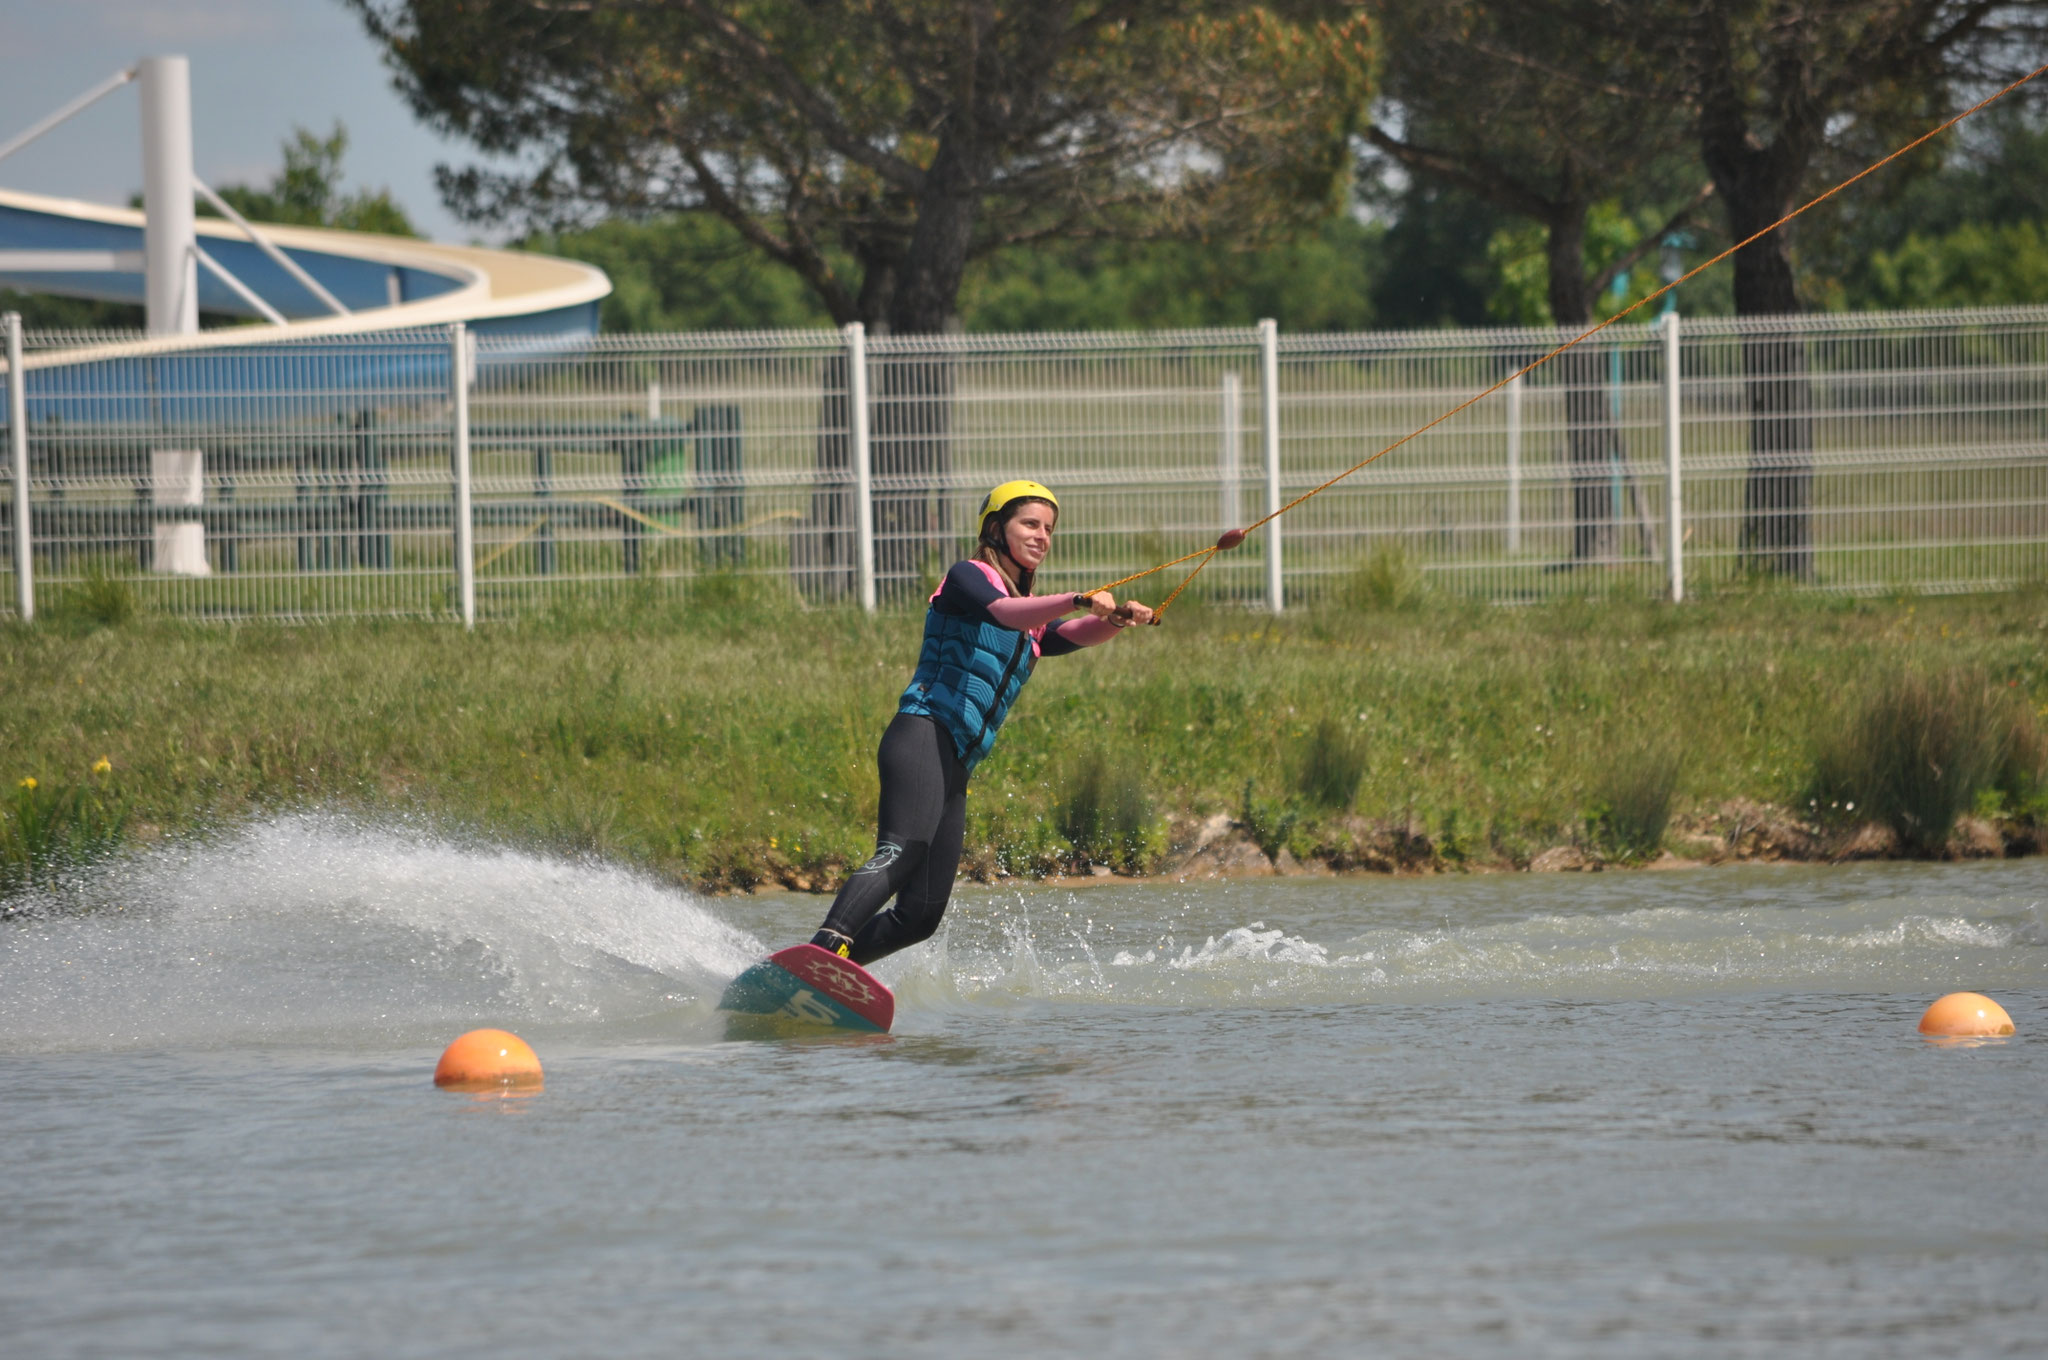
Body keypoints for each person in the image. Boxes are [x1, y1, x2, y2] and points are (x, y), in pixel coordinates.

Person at [809, 480, 1154, 965]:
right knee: (902, 851)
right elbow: (1006, 613)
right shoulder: (967, 577)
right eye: (1029, 524)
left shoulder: (1032, 619)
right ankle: (826, 947)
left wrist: (1116, 619)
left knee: (921, 916)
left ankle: (834, 973)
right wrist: (1077, 597)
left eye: (1049, 529)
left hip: (956, 765)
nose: (1041, 536)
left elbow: (1064, 634)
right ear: (996, 528)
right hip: (922, 733)